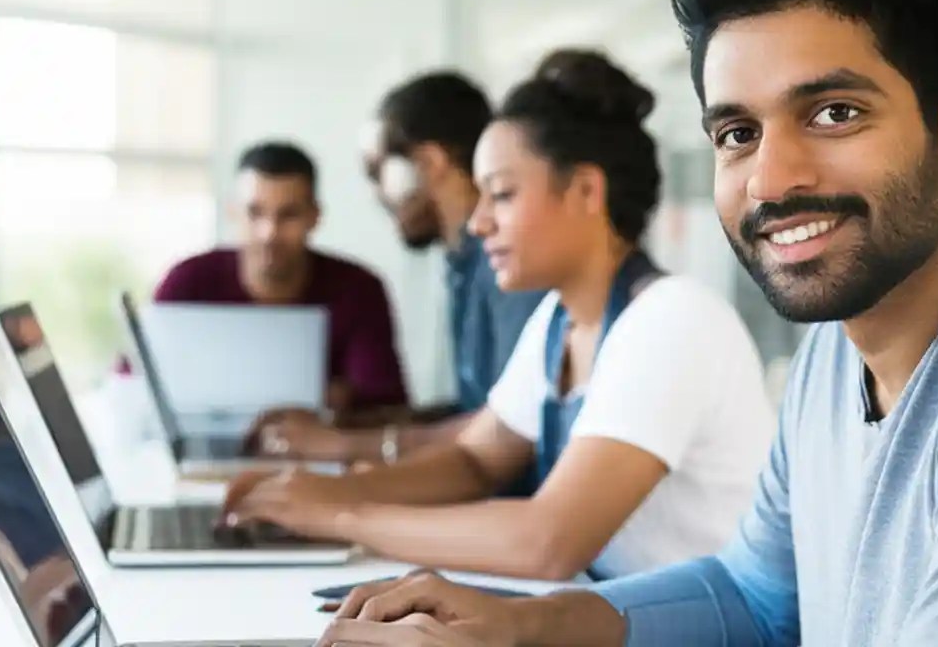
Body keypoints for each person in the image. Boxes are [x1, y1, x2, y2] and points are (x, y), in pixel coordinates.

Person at [314, 0, 938, 645]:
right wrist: (517, 625)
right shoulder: (838, 348)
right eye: (736, 133)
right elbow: (755, 597)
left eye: (833, 113)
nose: (771, 180)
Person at [220, 49, 776, 582]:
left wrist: (341, 519)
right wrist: (323, 493)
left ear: (585, 190)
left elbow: (549, 540)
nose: (480, 222)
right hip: (606, 609)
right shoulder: (560, 320)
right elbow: (475, 459)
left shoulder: (670, 321)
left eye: (502, 195)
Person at [248, 74, 546, 466]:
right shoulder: (462, 265)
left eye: (378, 172)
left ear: (429, 161)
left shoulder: (504, 265)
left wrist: (341, 446)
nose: (378, 196)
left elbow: (513, 427)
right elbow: (480, 408)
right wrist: (343, 426)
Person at [152, 141, 409, 425]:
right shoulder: (188, 281)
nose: (269, 233)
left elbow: (386, 406)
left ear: (315, 216)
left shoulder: (360, 288)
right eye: (255, 213)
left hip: (321, 453)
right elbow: (134, 381)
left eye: (288, 215)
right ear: (233, 212)